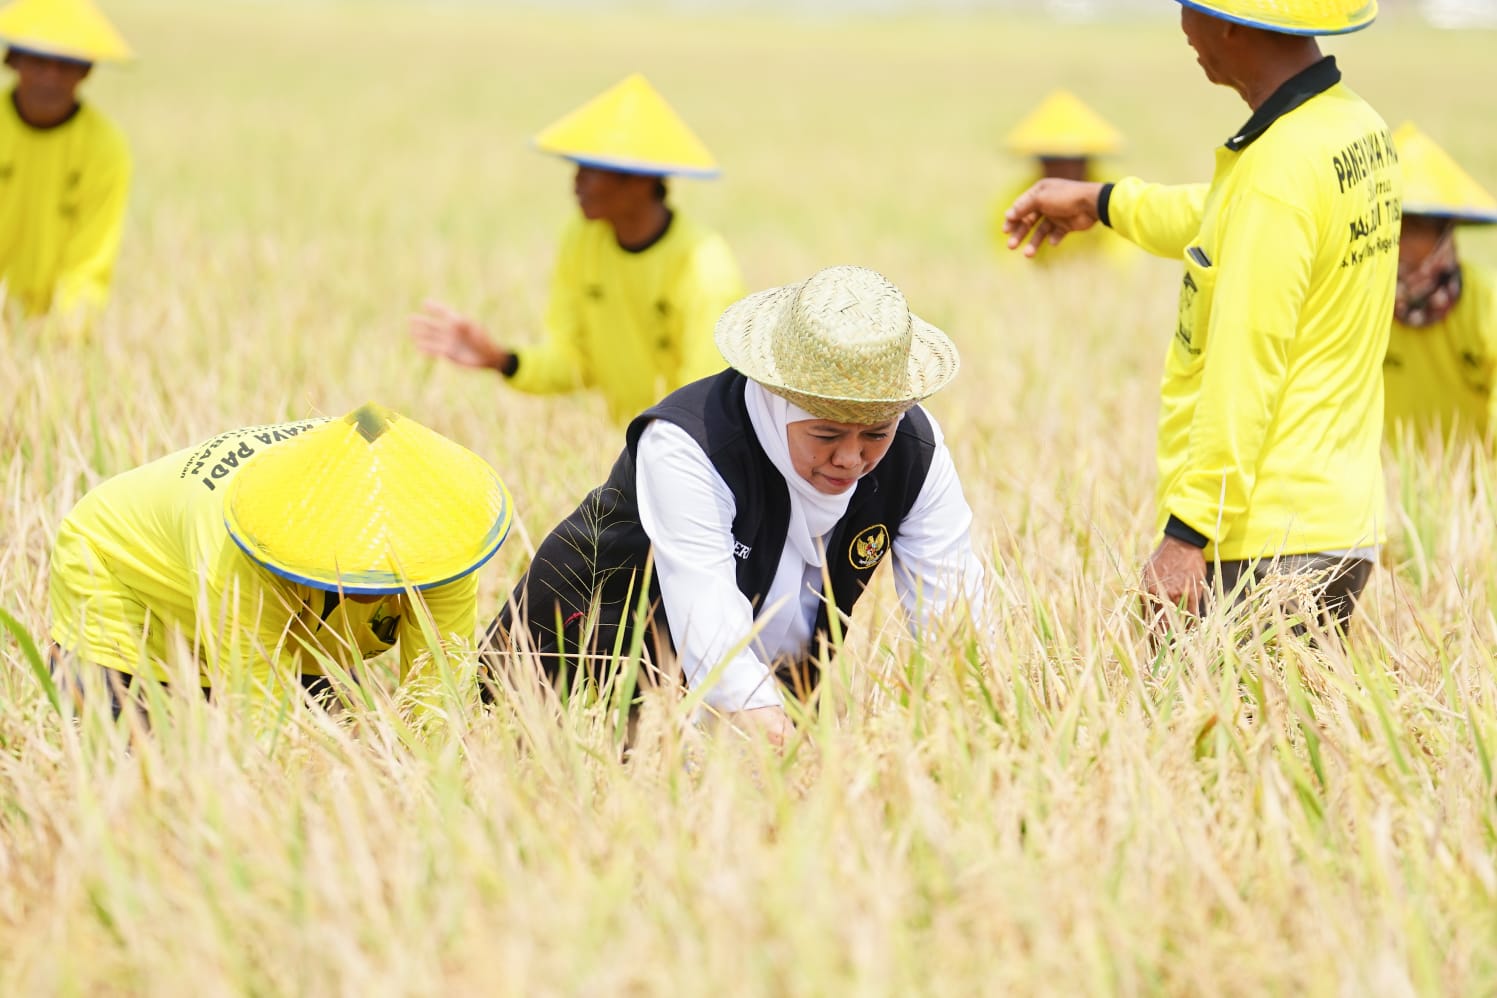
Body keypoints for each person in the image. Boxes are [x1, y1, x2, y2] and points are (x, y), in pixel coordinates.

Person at [1002, 0, 1401, 633]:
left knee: (1190, 725)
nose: (1182, 26)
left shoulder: (1279, 170)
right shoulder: (1354, 128)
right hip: (1336, 527)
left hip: (1264, 544)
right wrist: (1103, 203)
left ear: (1230, 22)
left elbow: (1246, 367)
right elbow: (1235, 215)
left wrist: (1188, 534)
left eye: (1187, 8)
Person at [487, 266, 986, 745]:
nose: (852, 457)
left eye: (876, 432)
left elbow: (952, 617)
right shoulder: (690, 444)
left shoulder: (916, 450)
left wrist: (972, 725)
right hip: (573, 670)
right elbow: (709, 629)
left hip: (767, 690)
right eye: (827, 433)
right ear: (779, 398)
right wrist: (782, 745)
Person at [48, 403, 514, 719]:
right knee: (130, 766)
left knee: (330, 750)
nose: (372, 592)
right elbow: (260, 727)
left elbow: (435, 697)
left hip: (288, 613)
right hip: (123, 578)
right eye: (356, 566)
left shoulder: (442, 543)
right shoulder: (244, 546)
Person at [411, 73, 745, 426]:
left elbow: (704, 397)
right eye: (576, 168)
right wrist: (502, 360)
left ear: (641, 180)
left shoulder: (703, 264)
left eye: (590, 171)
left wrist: (655, 452)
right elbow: (573, 361)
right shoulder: (583, 238)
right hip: (636, 442)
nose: (575, 183)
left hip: (687, 446)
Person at [0, 0, 132, 334]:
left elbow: (88, 267)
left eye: (67, 63)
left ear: (87, 70)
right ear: (12, 59)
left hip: (51, 332)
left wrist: (62, 335)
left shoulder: (105, 150)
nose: (51, 76)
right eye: (39, 60)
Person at [1382, 121, 1497, 444]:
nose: (1398, 239)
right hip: (1384, 487)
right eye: (1389, 222)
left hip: (1469, 489)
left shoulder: (1488, 306)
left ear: (1443, 233)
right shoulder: (1357, 305)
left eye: (1412, 226)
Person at [989, 90, 1133, 267]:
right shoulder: (1019, 200)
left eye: (1073, 161)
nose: (1064, 169)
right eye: (1052, 160)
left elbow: (1122, 261)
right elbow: (1008, 262)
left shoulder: (1108, 197)